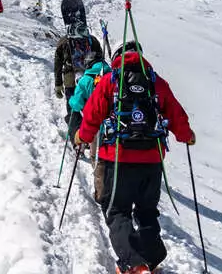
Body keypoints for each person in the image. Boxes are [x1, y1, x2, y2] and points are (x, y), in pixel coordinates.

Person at [75, 42, 195, 274]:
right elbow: (176, 113)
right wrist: (187, 135)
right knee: (146, 211)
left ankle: (135, 265)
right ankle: (152, 258)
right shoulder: (155, 81)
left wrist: (82, 135)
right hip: (151, 160)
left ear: (117, 57)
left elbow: (92, 114)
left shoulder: (111, 81)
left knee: (118, 211)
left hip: (118, 159)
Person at [69, 57, 112, 201]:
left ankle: (101, 194)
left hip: (94, 126)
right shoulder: (113, 76)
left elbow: (76, 103)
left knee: (97, 158)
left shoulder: (86, 79)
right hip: (114, 126)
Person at [54, 21, 103, 140]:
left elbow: (58, 64)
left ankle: (76, 137)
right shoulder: (92, 41)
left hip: (71, 79)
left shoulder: (64, 42)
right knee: (89, 107)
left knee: (73, 108)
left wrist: (58, 84)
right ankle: (88, 135)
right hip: (89, 81)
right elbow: (100, 60)